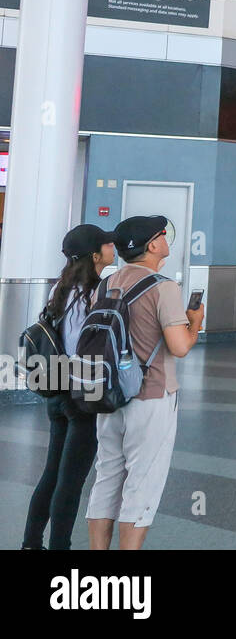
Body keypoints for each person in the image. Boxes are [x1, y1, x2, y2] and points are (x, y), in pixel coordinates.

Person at [85, 215, 204, 549]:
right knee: (142, 482)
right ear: (153, 245)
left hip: (108, 395)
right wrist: (195, 323)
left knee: (107, 478)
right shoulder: (164, 287)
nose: (167, 238)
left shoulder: (105, 284)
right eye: (163, 234)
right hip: (151, 395)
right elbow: (179, 347)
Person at [22, 225, 118, 551]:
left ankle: (30, 542)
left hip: (58, 389)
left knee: (52, 472)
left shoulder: (61, 290)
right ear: (95, 254)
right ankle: (59, 546)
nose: (112, 245)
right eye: (107, 242)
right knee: (71, 480)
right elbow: (85, 348)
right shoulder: (94, 293)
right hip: (82, 393)